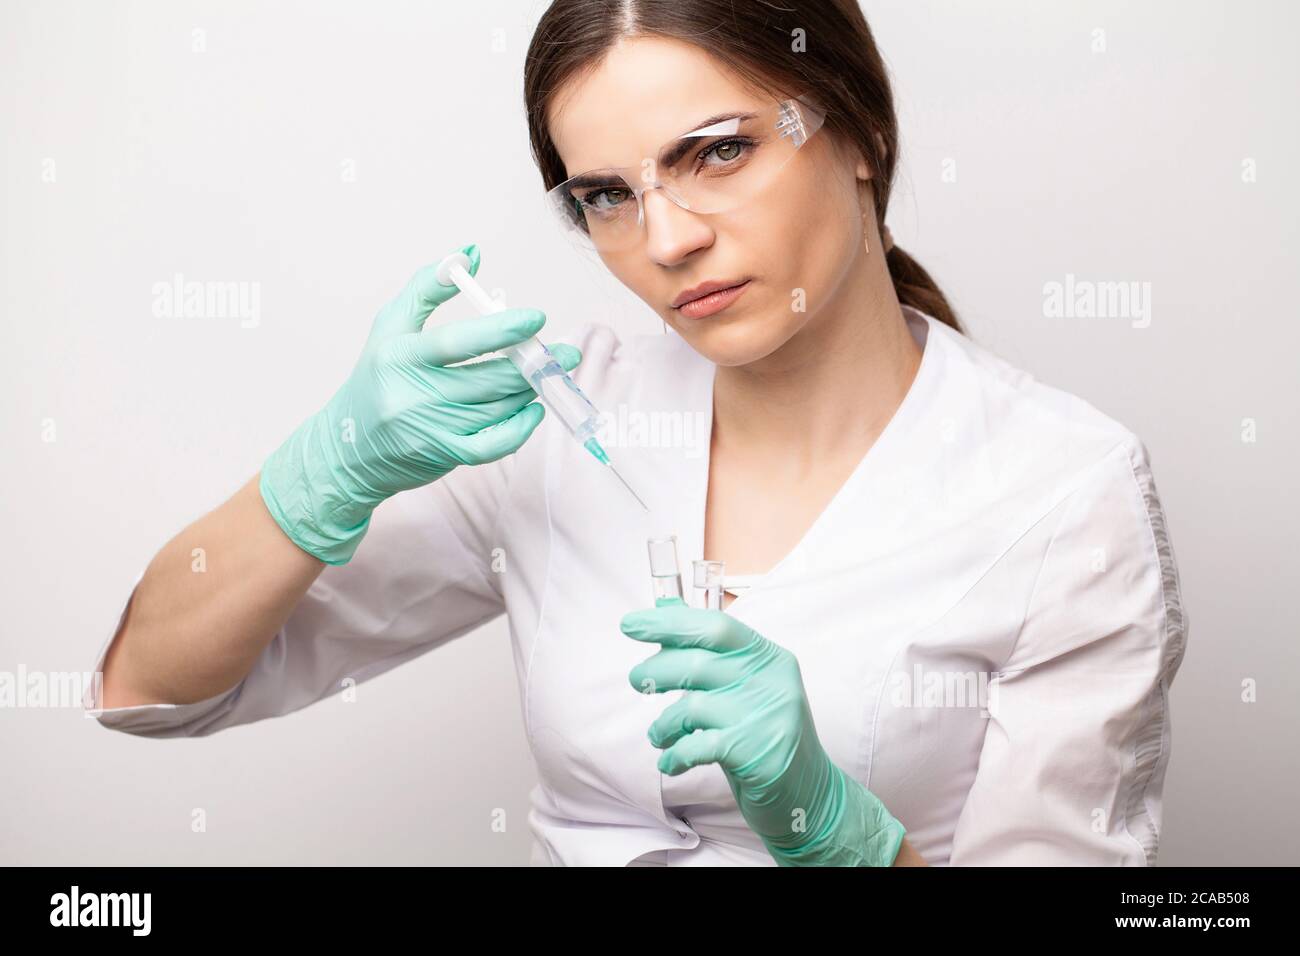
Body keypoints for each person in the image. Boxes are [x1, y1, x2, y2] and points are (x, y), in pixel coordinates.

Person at [85, 0, 1187, 866]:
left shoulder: (1059, 490)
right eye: (606, 195)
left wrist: (840, 836)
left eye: (715, 152)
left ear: (860, 132)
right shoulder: (561, 416)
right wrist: (322, 469)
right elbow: (156, 688)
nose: (665, 238)